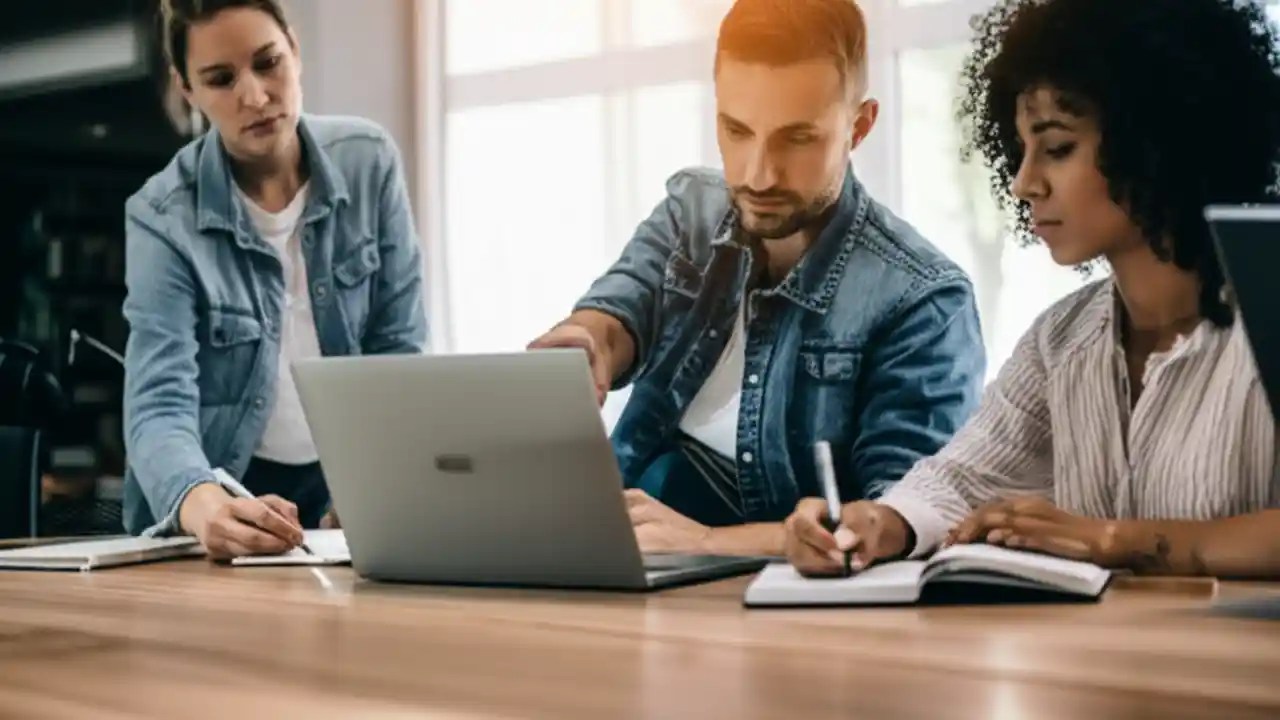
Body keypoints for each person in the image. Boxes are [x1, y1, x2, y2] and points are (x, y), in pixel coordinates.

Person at [785, 0, 1280, 578]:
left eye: (1058, 147)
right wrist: (875, 524)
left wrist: (1115, 540)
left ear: (1156, 142)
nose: (1024, 183)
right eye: (1020, 149)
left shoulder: (1265, 314)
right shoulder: (1060, 340)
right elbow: (958, 480)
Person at [530, 0, 986, 557]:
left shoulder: (923, 300)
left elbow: (896, 525)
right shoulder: (689, 213)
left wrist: (704, 542)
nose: (757, 173)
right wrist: (588, 340)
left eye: (797, 139)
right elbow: (618, 311)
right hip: (613, 553)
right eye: (736, 130)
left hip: (773, 609)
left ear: (859, 126)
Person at [122, 0, 427, 559]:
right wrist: (203, 503)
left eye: (268, 63)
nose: (255, 96)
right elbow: (158, 406)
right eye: (221, 79)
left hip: (343, 484)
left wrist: (373, 484)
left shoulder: (368, 162)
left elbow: (397, 350)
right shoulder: (161, 216)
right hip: (224, 489)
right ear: (187, 89)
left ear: (295, 48)